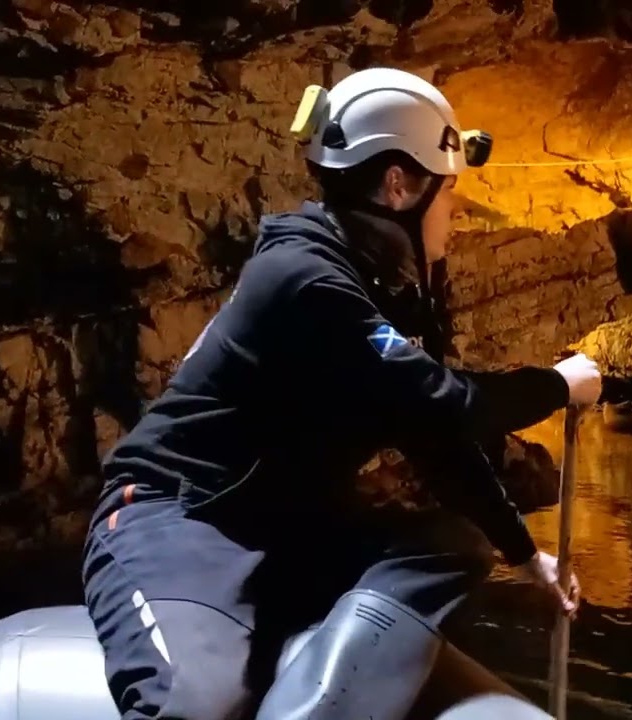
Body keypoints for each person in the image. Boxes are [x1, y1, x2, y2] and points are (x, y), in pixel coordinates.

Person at [81, 66, 603, 720]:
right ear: (398, 185)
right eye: (449, 193)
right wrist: (559, 384)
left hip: (285, 529)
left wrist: (526, 557)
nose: (456, 213)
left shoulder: (378, 291)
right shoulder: (306, 277)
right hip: (179, 521)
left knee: (454, 543)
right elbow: (451, 403)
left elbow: (433, 435)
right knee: (195, 709)